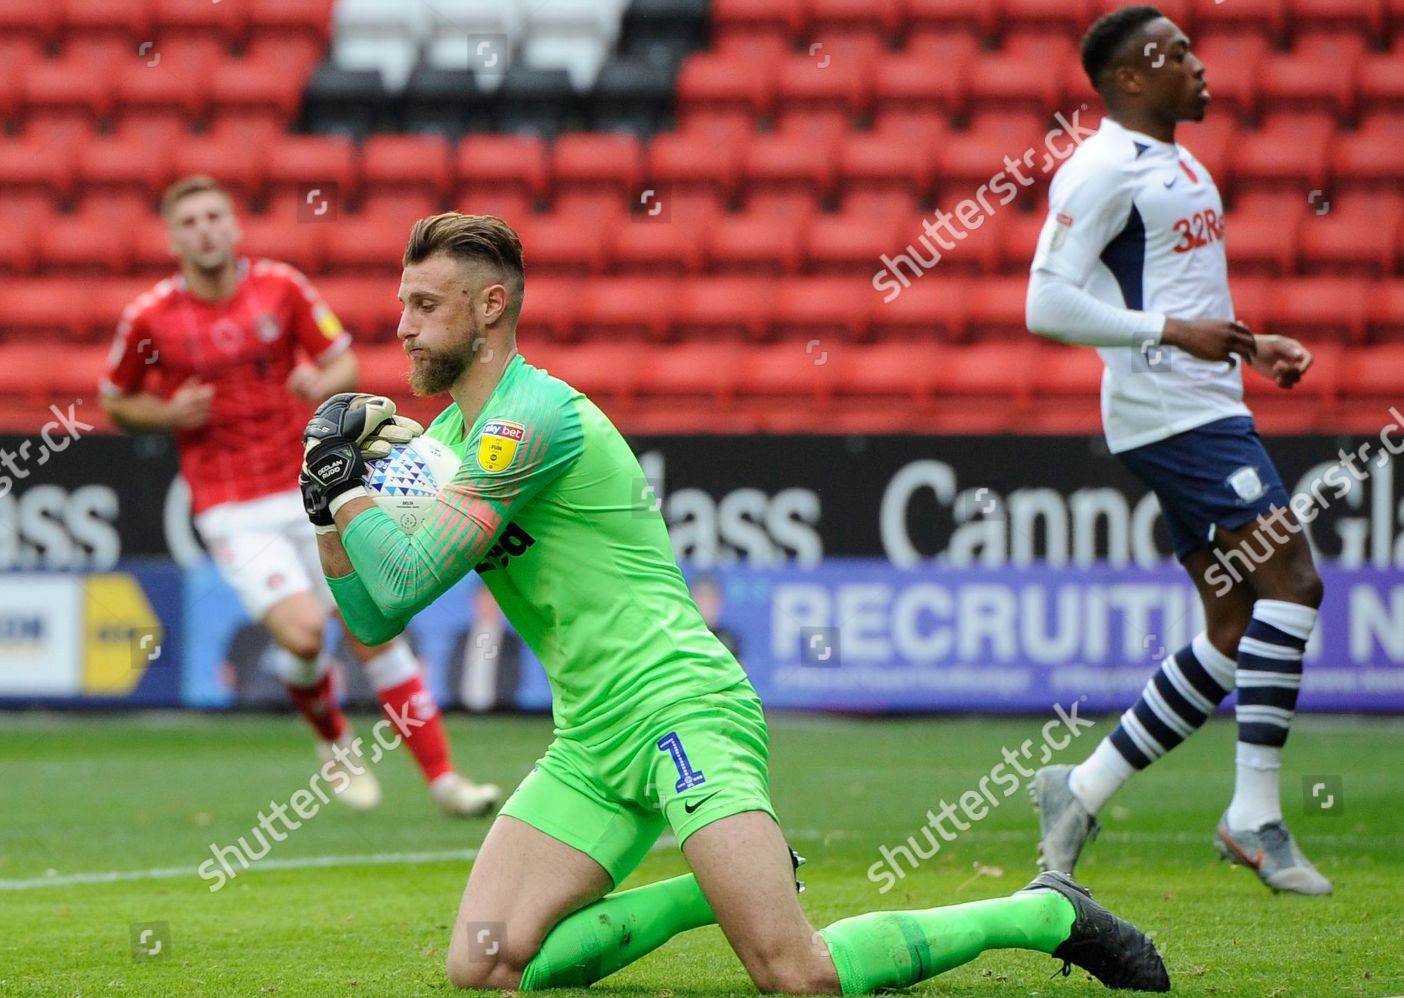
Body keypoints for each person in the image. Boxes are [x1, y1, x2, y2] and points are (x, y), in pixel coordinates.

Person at [301, 212, 1169, 993]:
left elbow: (409, 576)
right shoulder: (445, 444)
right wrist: (326, 516)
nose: (402, 327)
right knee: (483, 964)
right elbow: (378, 618)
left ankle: (1042, 913)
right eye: (403, 305)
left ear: (491, 306)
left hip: (680, 705)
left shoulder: (531, 416)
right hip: (590, 740)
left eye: (423, 304)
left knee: (796, 975)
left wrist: (349, 494)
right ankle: (714, 888)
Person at [1024, 7, 1328, 894]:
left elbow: (1182, 296)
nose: (1197, 64)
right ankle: (1254, 816)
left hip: (1204, 398)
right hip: (1173, 414)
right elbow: (1045, 303)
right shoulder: (1101, 166)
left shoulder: (1178, 161)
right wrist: (1171, 334)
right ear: (1129, 77)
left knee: (1233, 631)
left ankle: (1079, 789)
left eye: (1192, 47)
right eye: (1174, 54)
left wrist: (1245, 343)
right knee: (1296, 582)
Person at [100, 175, 499, 818]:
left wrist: (318, 378)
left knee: (373, 626)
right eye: (190, 221)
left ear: (233, 226)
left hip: (310, 484)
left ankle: (445, 780)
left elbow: (341, 361)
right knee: (308, 636)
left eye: (214, 217)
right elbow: (116, 400)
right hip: (230, 506)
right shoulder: (150, 317)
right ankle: (335, 743)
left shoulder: (282, 289)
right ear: (174, 238)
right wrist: (171, 412)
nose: (204, 230)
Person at [445, 584, 524, 713]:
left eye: (491, 600)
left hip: (500, 712)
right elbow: (452, 671)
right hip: (462, 710)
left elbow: (515, 675)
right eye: (482, 599)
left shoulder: (511, 640)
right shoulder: (461, 636)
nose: (486, 604)